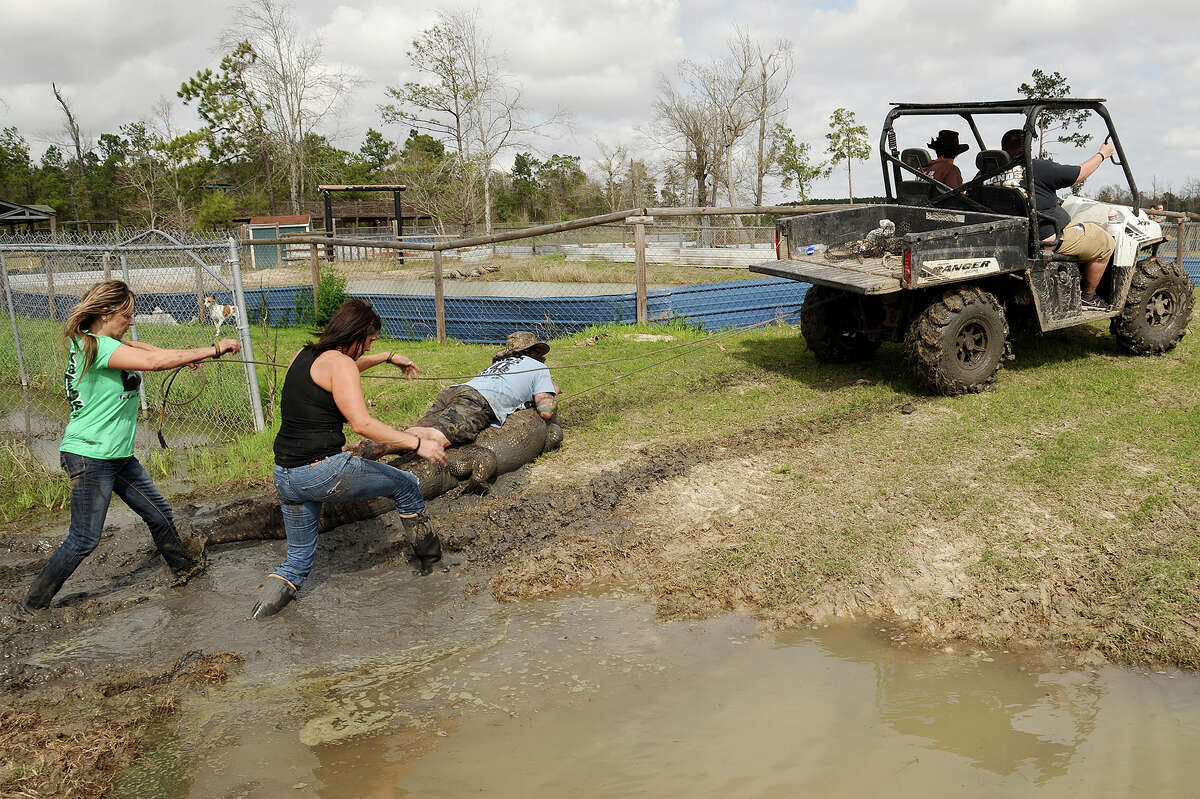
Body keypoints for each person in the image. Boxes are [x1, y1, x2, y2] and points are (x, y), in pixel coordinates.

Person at [20, 280, 241, 611]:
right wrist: (214, 349)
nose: (132, 321)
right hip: (91, 455)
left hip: (116, 455)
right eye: (128, 315)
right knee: (84, 539)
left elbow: (151, 352)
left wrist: (187, 356)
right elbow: (153, 363)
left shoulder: (102, 341)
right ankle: (31, 605)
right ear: (107, 313)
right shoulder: (96, 346)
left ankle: (186, 572)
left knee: (159, 513)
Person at [253, 299, 450, 619]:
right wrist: (417, 444)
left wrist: (386, 358)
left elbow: (343, 370)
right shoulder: (340, 365)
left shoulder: (303, 356)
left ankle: (257, 620)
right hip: (321, 472)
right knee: (407, 484)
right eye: (369, 342)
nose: (367, 348)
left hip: (286, 475)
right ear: (357, 335)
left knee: (297, 562)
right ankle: (434, 565)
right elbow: (362, 424)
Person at [358, 331, 558, 461]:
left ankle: (369, 446)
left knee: (421, 431)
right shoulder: (538, 367)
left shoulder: (498, 364)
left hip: (455, 391)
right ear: (534, 351)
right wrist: (552, 391)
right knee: (434, 438)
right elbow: (546, 411)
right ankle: (376, 448)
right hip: (477, 401)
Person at [1018, 131, 1118, 309]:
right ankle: (1089, 296)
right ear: (1026, 147)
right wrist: (1103, 154)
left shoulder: (989, 175)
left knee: (1075, 226)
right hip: (1045, 238)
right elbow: (1078, 174)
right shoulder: (1035, 167)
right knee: (1106, 243)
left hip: (1016, 237)